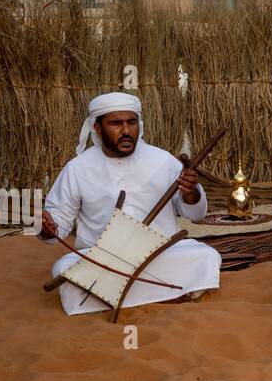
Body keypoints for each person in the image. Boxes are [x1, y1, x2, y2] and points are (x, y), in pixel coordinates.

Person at [39, 92, 220, 315]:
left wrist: (190, 192)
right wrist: (48, 228)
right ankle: (171, 292)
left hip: (158, 253)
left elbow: (196, 215)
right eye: (116, 123)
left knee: (206, 256)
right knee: (64, 269)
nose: (126, 131)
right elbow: (59, 221)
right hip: (104, 259)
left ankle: (120, 296)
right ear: (97, 128)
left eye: (131, 122)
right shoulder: (78, 168)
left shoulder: (163, 160)